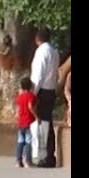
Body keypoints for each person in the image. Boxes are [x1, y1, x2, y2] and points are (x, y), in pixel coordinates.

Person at [29, 27, 61, 168]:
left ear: (37, 38)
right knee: (48, 122)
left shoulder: (41, 52)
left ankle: (45, 157)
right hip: (51, 90)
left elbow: (38, 75)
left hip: (42, 90)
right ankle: (50, 155)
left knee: (42, 124)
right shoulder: (54, 52)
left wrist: (33, 93)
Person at [14, 77, 37, 168]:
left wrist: (17, 118)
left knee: (20, 141)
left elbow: (18, 109)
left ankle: (18, 161)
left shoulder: (19, 97)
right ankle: (28, 161)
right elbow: (30, 106)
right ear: (30, 86)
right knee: (28, 141)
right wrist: (37, 117)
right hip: (28, 122)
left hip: (21, 122)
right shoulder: (31, 96)